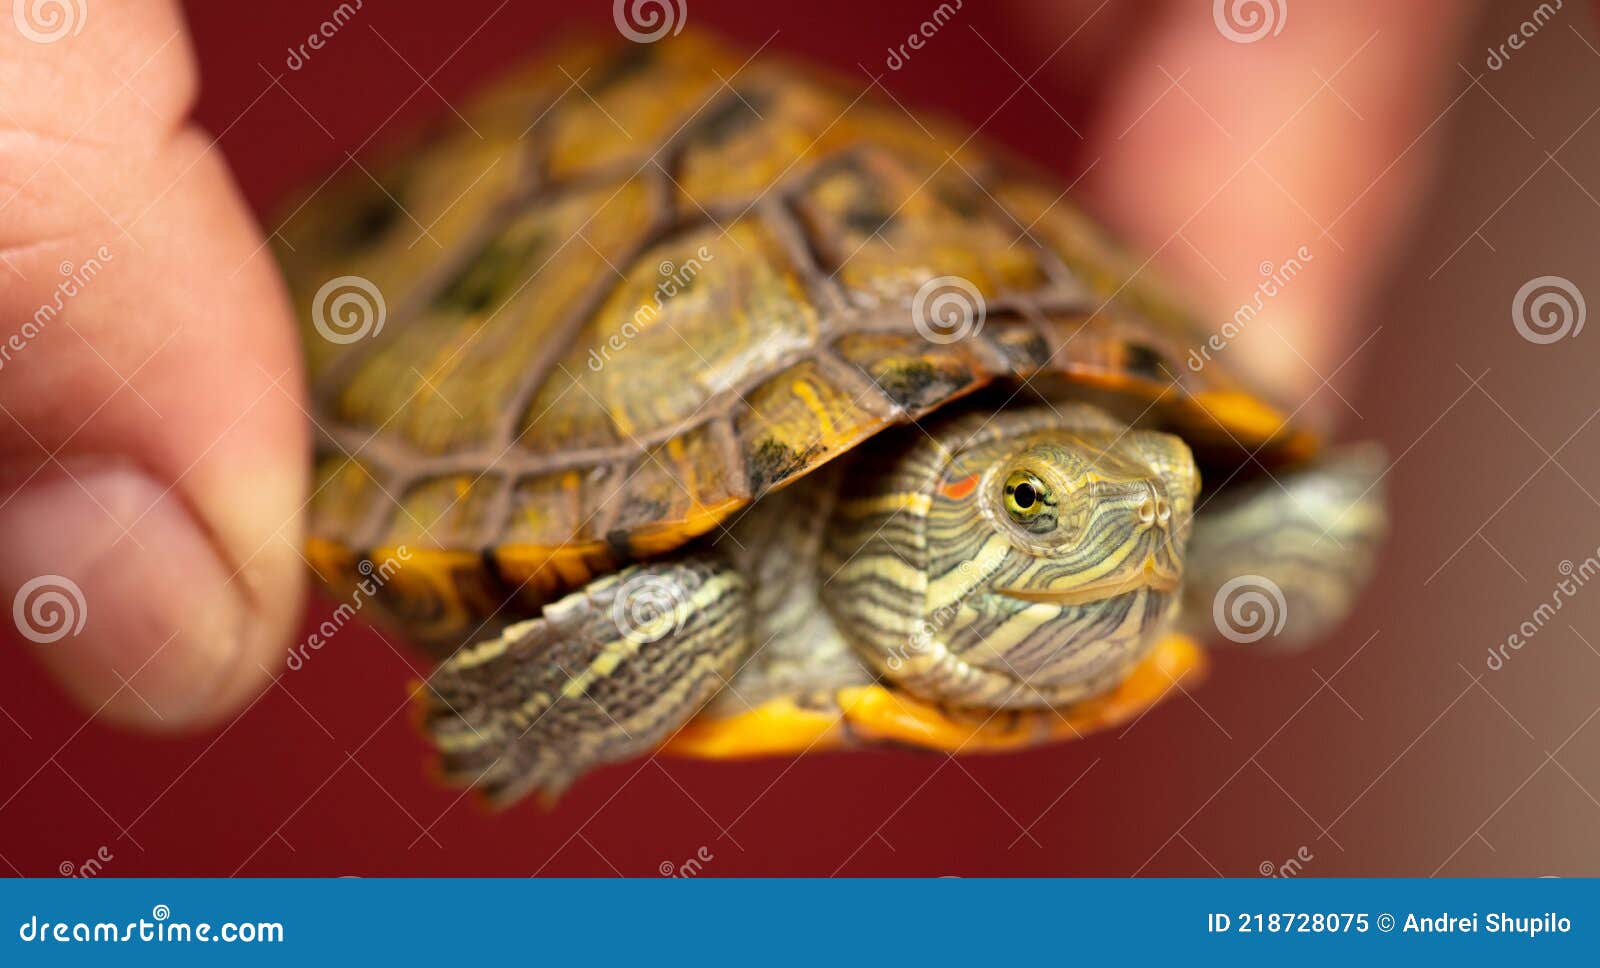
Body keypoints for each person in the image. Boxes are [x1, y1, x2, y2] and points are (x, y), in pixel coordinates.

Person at [0, 1, 1472, 729]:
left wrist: (1257, 504)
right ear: (932, 505)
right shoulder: (722, 577)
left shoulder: (1142, 510)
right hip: (289, 167)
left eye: (1155, 495)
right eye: (1032, 504)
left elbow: (1250, 488)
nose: (1146, 526)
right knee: (688, 603)